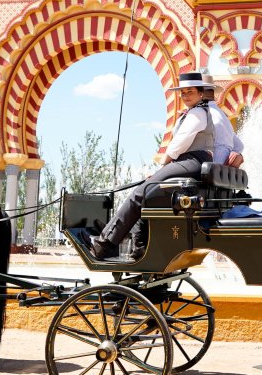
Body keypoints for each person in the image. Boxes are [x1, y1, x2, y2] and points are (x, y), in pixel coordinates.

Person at [89, 72, 215, 260]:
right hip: (190, 161)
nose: (186, 95)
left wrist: (161, 167)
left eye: (190, 91)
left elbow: (179, 144)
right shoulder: (195, 112)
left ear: (200, 93)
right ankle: (140, 246)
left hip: (191, 161)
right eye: (183, 92)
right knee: (149, 195)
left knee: (139, 193)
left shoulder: (198, 113)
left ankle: (104, 243)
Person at [201, 73, 244, 168]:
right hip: (220, 170)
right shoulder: (222, 116)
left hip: (209, 168)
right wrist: (229, 158)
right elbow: (239, 146)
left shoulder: (203, 113)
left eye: (191, 92)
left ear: (200, 94)